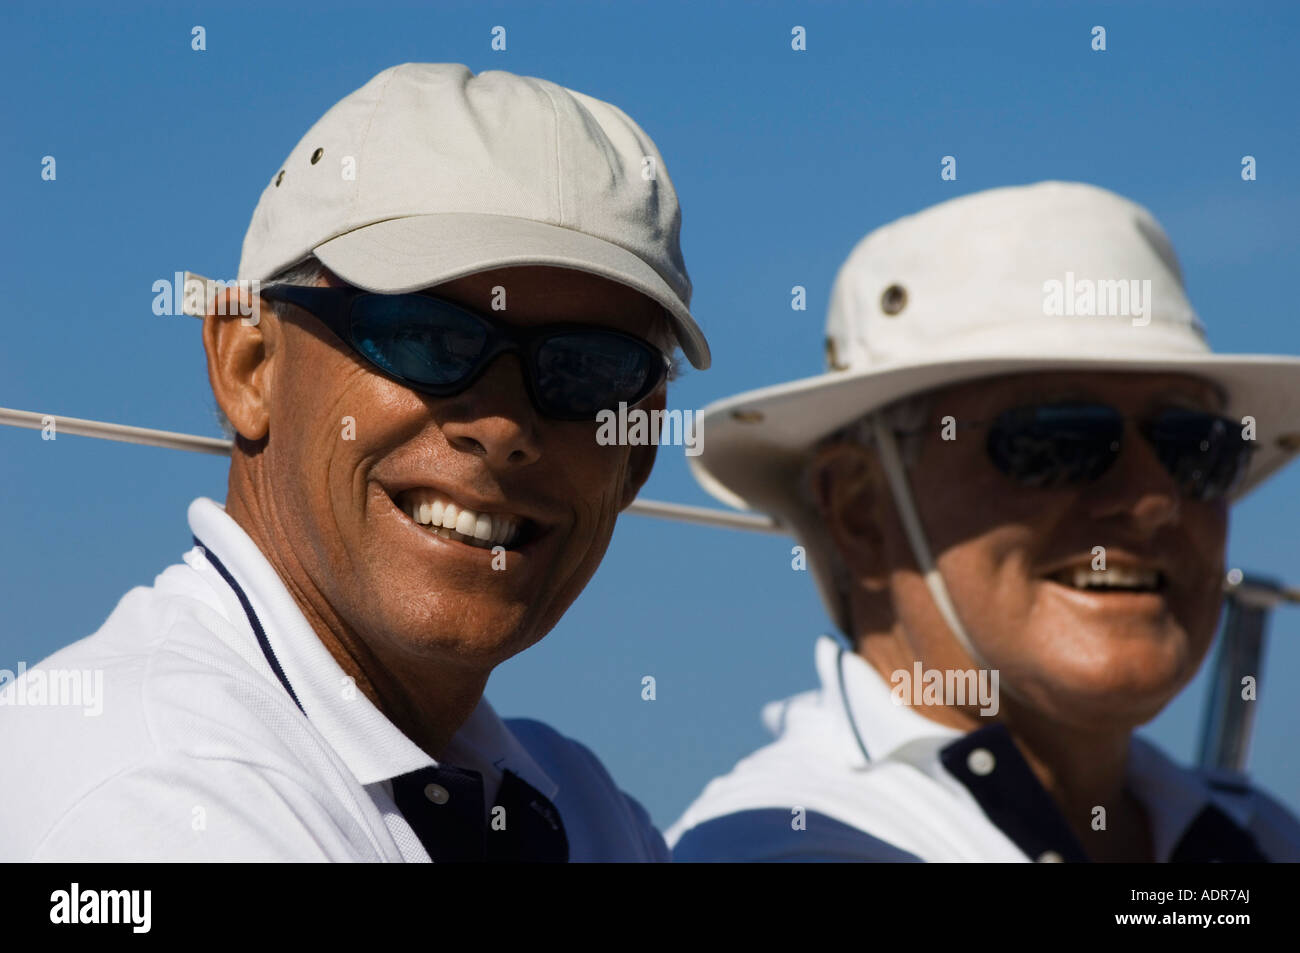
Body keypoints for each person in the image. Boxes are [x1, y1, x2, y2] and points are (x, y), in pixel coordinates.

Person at [0, 62, 709, 862]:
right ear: (248, 364)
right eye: (421, 334)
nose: (505, 424)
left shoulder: (582, 807)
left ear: (636, 451)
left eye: (587, 369)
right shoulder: (151, 788)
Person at [670, 181, 1300, 862]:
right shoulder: (782, 841)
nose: (1151, 499)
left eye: (1196, 446)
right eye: (1058, 441)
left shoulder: (1261, 836)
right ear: (860, 510)